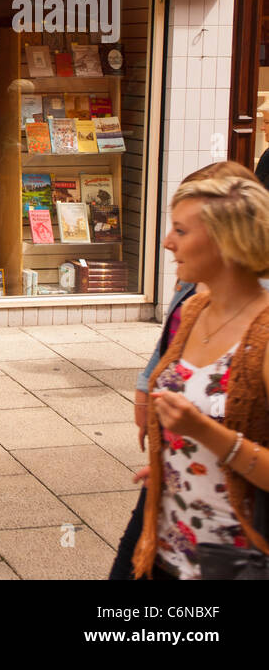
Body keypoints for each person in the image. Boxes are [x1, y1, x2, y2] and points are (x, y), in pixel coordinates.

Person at [107, 161, 255, 579]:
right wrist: (174, 459)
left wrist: (203, 433)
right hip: (168, 530)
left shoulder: (261, 334)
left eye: (182, 231)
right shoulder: (192, 310)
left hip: (234, 555)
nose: (167, 242)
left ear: (228, 240)